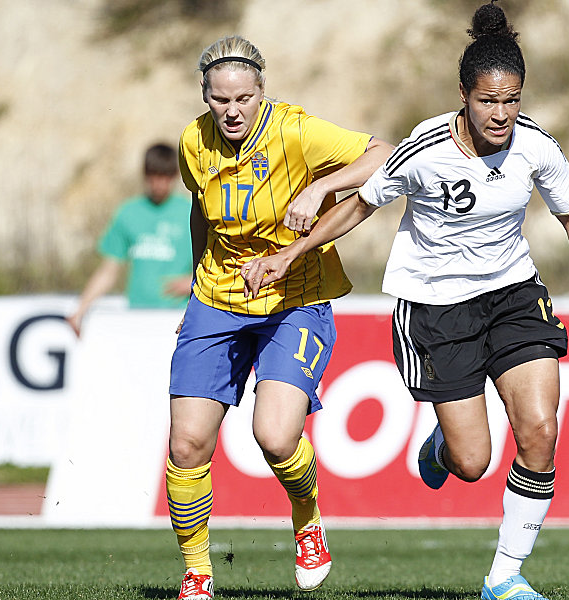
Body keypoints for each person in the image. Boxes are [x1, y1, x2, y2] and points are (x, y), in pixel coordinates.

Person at [240, 3, 569, 600]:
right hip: (436, 309)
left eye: (511, 100)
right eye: (488, 100)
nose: (500, 114)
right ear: (465, 95)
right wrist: (292, 253)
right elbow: (363, 204)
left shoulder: (536, 146)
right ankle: (445, 446)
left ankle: (505, 576)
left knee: (541, 431)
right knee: (473, 463)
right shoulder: (425, 148)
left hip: (514, 295)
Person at [167, 35, 393, 600]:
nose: (233, 110)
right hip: (217, 299)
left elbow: (385, 152)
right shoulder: (193, 141)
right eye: (221, 100)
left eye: (243, 97)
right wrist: (197, 283)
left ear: (262, 92)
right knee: (187, 444)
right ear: (206, 97)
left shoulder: (295, 131)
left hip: (295, 299)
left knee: (274, 434)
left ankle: (307, 518)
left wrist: (321, 185)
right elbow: (201, 211)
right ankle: (197, 575)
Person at [66, 143, 193, 336]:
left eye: (165, 176)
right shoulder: (128, 213)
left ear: (175, 176)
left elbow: (214, 259)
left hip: (179, 316)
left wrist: (194, 282)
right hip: (137, 316)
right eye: (153, 175)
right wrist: (81, 309)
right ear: (145, 175)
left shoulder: (190, 211)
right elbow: (109, 269)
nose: (159, 182)